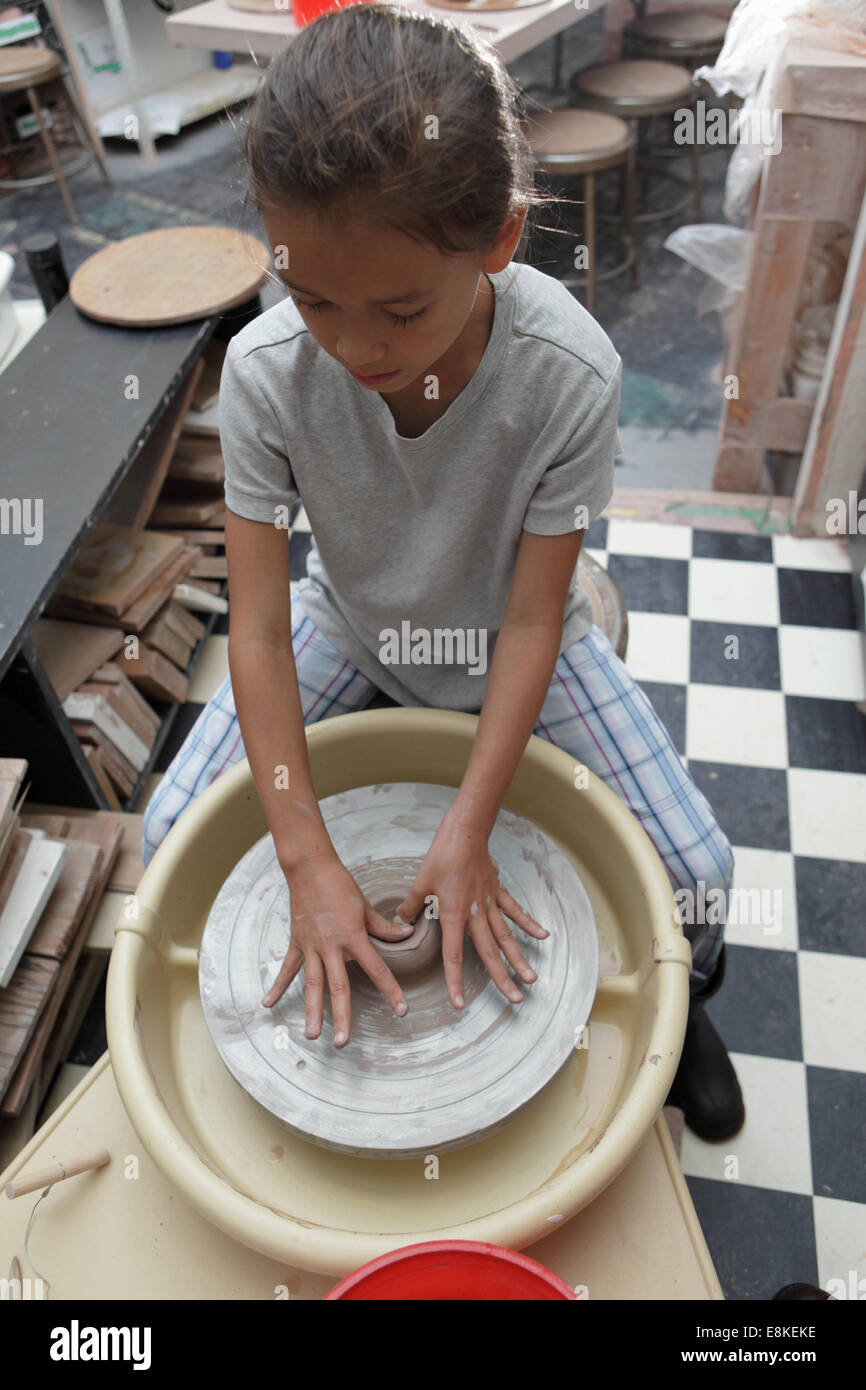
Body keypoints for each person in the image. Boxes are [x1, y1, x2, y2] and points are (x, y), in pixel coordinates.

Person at [143, 4, 743, 1140]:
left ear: (501, 240)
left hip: (525, 640)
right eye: (313, 298)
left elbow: (528, 623)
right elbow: (259, 633)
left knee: (700, 870)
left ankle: (684, 1008)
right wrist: (307, 854)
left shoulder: (567, 372)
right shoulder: (269, 376)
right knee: (166, 831)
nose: (355, 346)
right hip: (348, 622)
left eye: (401, 308)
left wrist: (464, 832)